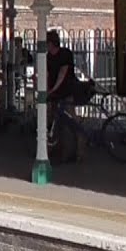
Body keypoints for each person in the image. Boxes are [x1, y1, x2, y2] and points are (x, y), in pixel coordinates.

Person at [45, 30, 78, 162]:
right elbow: (47, 74)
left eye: (46, 43)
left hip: (67, 91)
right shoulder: (47, 56)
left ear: (51, 43)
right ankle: (54, 149)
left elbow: (62, 74)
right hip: (54, 93)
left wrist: (52, 89)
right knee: (53, 119)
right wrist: (48, 90)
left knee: (70, 121)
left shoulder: (65, 54)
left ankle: (73, 150)